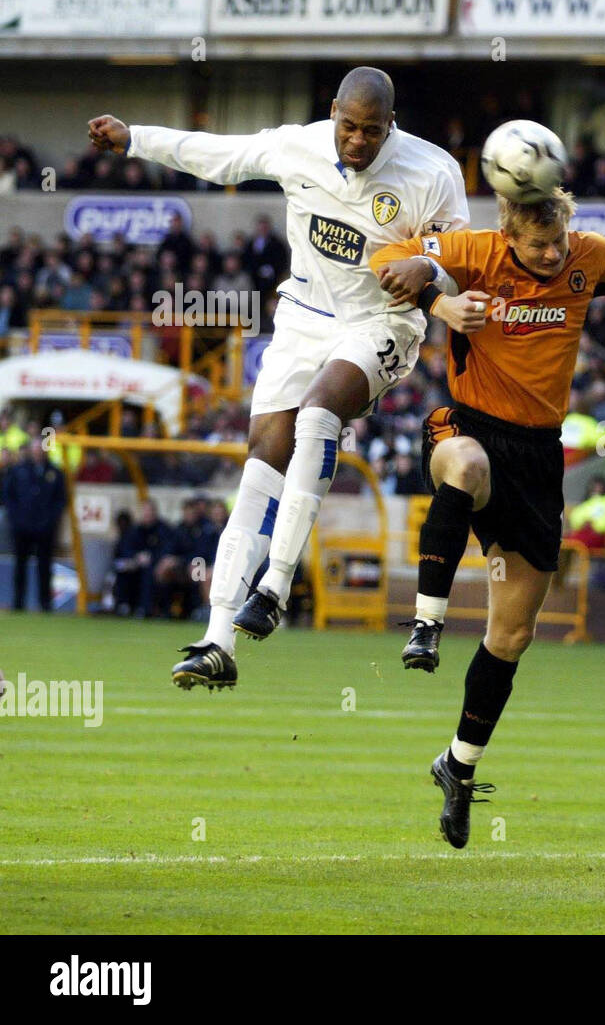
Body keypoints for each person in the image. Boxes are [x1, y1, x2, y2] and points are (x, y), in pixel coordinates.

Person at [368, 188, 605, 848]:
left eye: (557, 241)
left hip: (538, 458)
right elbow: (388, 256)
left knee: (512, 635)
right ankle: (425, 626)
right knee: (462, 466)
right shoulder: (475, 253)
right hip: (470, 425)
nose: (551, 253)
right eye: (537, 244)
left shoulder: (587, 258)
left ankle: (458, 766)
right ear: (508, 234)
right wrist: (440, 299)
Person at [88, 66, 469, 690]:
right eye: (349, 127)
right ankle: (217, 641)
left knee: (320, 414)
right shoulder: (300, 145)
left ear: (390, 125)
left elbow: (460, 258)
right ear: (334, 113)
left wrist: (430, 273)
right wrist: (137, 139)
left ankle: (277, 582)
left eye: (371, 132)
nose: (357, 142)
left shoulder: (433, 172)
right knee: (262, 458)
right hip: (303, 316)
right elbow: (222, 156)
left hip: (382, 322)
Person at [2, 437, 67, 611]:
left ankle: (45, 603)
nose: (38, 452)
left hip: (45, 528)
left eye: (40, 448)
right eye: (35, 448)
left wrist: (50, 520)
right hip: (22, 526)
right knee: (20, 565)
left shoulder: (55, 472)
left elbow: (60, 501)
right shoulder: (18, 471)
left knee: (45, 566)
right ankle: (18, 602)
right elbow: (8, 496)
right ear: (31, 450)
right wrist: (16, 518)